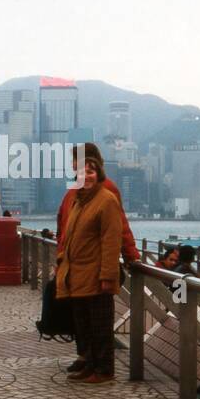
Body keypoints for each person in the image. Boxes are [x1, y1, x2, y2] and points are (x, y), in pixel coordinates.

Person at [55, 143, 139, 372]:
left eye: (76, 159)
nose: (73, 164)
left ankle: (99, 367)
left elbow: (118, 229)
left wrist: (131, 257)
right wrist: (61, 258)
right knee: (81, 318)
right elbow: (65, 226)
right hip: (73, 265)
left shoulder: (106, 189)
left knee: (97, 320)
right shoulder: (76, 190)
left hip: (94, 267)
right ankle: (86, 358)